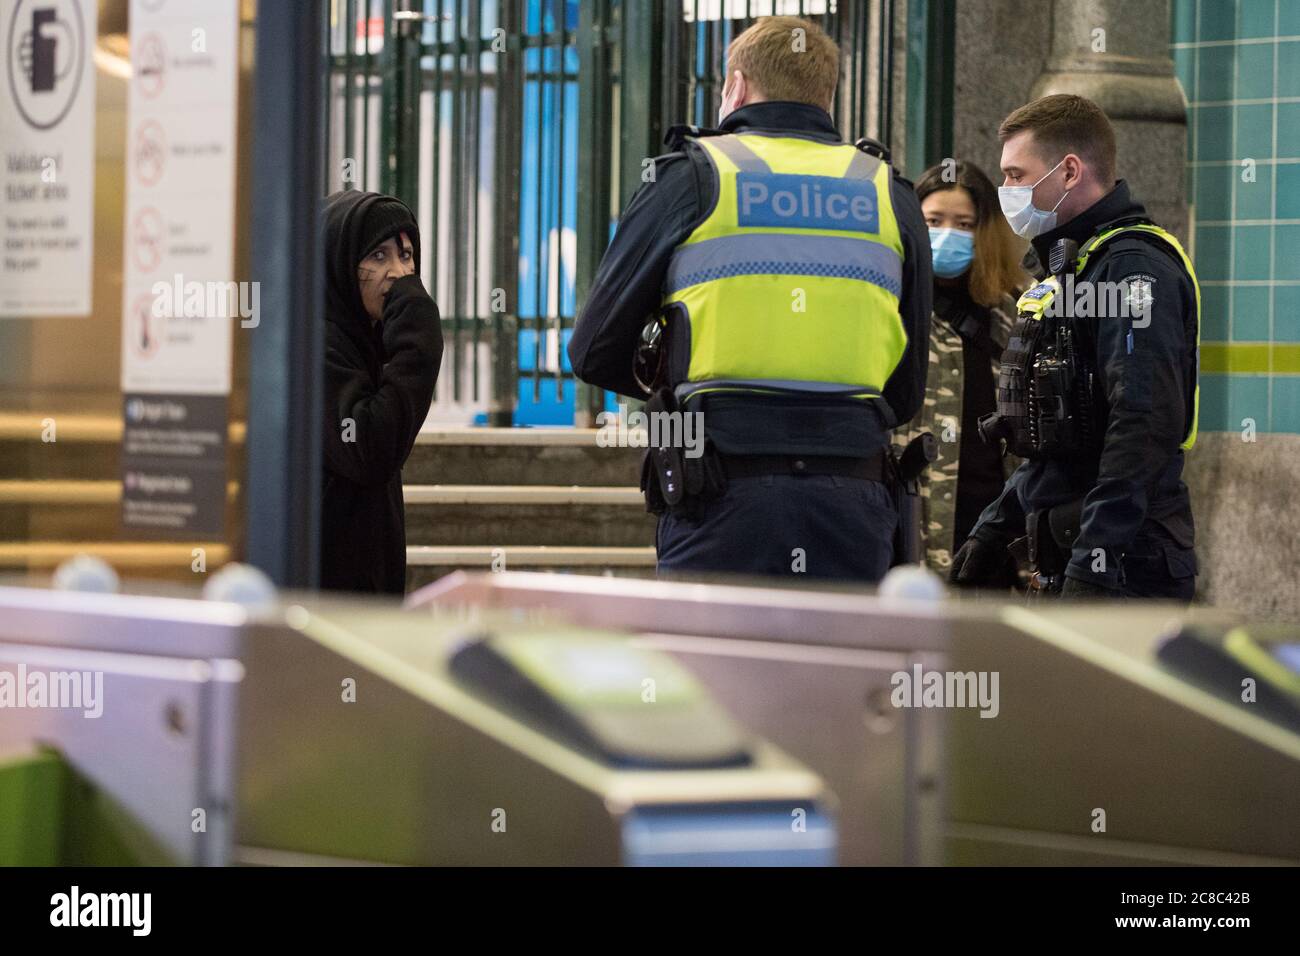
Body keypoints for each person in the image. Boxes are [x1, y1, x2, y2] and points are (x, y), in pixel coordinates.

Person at [567, 16, 931, 582]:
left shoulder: (693, 175)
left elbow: (593, 349)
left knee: (712, 668)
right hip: (854, 493)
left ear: (735, 86)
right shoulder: (887, 191)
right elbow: (907, 391)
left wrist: (667, 382)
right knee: (841, 669)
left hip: (717, 491)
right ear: (826, 95)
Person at [951, 94, 1200, 600]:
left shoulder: (1132, 268)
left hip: (1125, 564)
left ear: (1069, 171)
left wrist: (1094, 563)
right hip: (1071, 550)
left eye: (1018, 175)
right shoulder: (1074, 266)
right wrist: (996, 526)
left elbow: (1142, 425)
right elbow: (1062, 437)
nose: (1007, 191)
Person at [900, 159, 1028, 578]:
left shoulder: (1011, 314)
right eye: (933, 220)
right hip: (912, 522)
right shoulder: (893, 304)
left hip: (989, 527)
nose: (947, 235)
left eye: (965, 224)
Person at [320, 190, 443, 593]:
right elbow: (370, 448)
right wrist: (418, 347)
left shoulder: (366, 349)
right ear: (341, 262)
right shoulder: (317, 346)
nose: (397, 272)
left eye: (406, 255)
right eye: (377, 256)